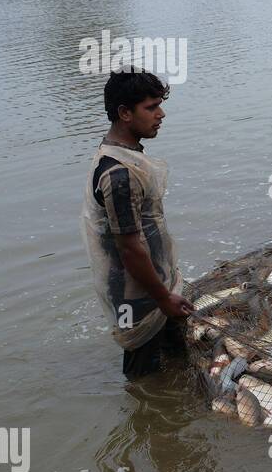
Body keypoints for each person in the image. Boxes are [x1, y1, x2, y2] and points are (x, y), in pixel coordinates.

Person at [81, 66, 192, 378]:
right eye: (151, 107)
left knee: (172, 375)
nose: (162, 114)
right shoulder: (118, 175)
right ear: (124, 113)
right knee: (143, 382)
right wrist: (162, 297)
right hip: (138, 297)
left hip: (155, 286)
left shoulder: (128, 158)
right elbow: (129, 249)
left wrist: (165, 292)